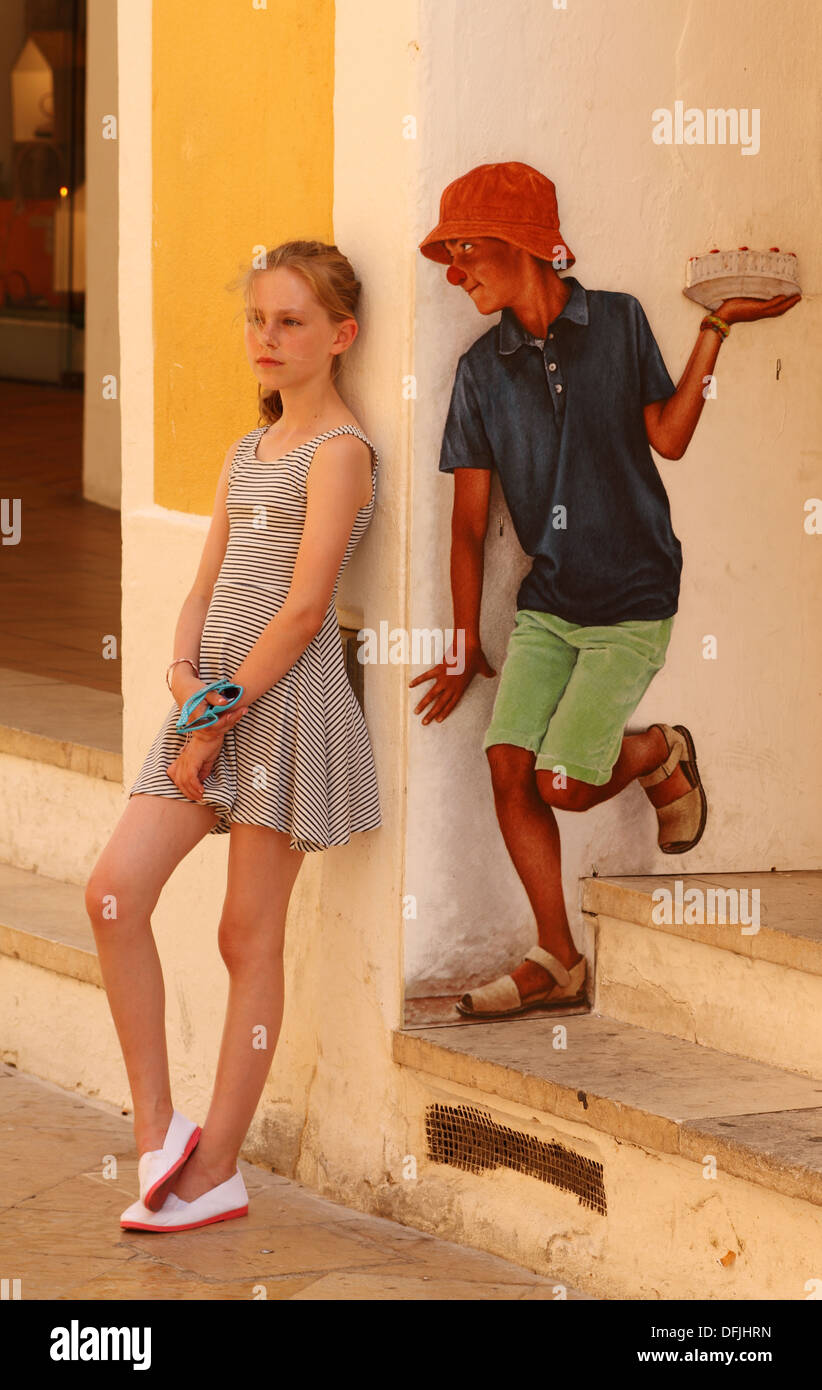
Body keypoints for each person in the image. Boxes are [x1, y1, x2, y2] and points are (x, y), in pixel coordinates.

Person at [411, 161, 800, 1020]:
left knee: (562, 781)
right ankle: (558, 957)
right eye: (452, 255)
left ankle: (659, 751)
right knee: (506, 764)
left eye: (469, 248)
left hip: (632, 595)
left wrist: (716, 331)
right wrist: (465, 639)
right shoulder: (481, 373)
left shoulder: (619, 323)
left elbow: (669, 437)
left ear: (525, 246)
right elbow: (469, 525)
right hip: (549, 604)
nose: (458, 270)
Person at [84, 240, 381, 1231]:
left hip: (286, 709)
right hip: (207, 707)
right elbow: (204, 586)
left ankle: (216, 1168)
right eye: (258, 317)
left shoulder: (339, 453)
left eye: (291, 321)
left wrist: (216, 715)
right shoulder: (242, 450)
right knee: (114, 893)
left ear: (341, 337)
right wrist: (182, 683)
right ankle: (160, 1131)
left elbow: (300, 614)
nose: (267, 336)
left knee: (244, 934)